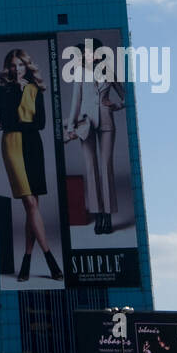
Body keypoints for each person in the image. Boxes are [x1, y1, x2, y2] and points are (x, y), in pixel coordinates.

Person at [0, 48, 63, 282]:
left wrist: (10, 123)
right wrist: (10, 121)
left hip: (34, 146)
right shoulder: (1, 86)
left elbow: (41, 123)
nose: (17, 69)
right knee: (30, 202)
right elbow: (8, 114)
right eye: (13, 65)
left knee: (32, 208)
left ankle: (26, 260)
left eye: (20, 65)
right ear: (8, 67)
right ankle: (50, 258)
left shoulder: (36, 89)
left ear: (26, 66)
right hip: (12, 145)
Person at [64, 39, 125, 234]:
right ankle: (98, 214)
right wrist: (71, 127)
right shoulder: (80, 73)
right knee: (90, 169)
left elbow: (126, 97)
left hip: (107, 123)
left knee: (106, 168)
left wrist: (115, 105)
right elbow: (75, 101)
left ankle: (108, 216)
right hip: (86, 124)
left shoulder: (109, 71)